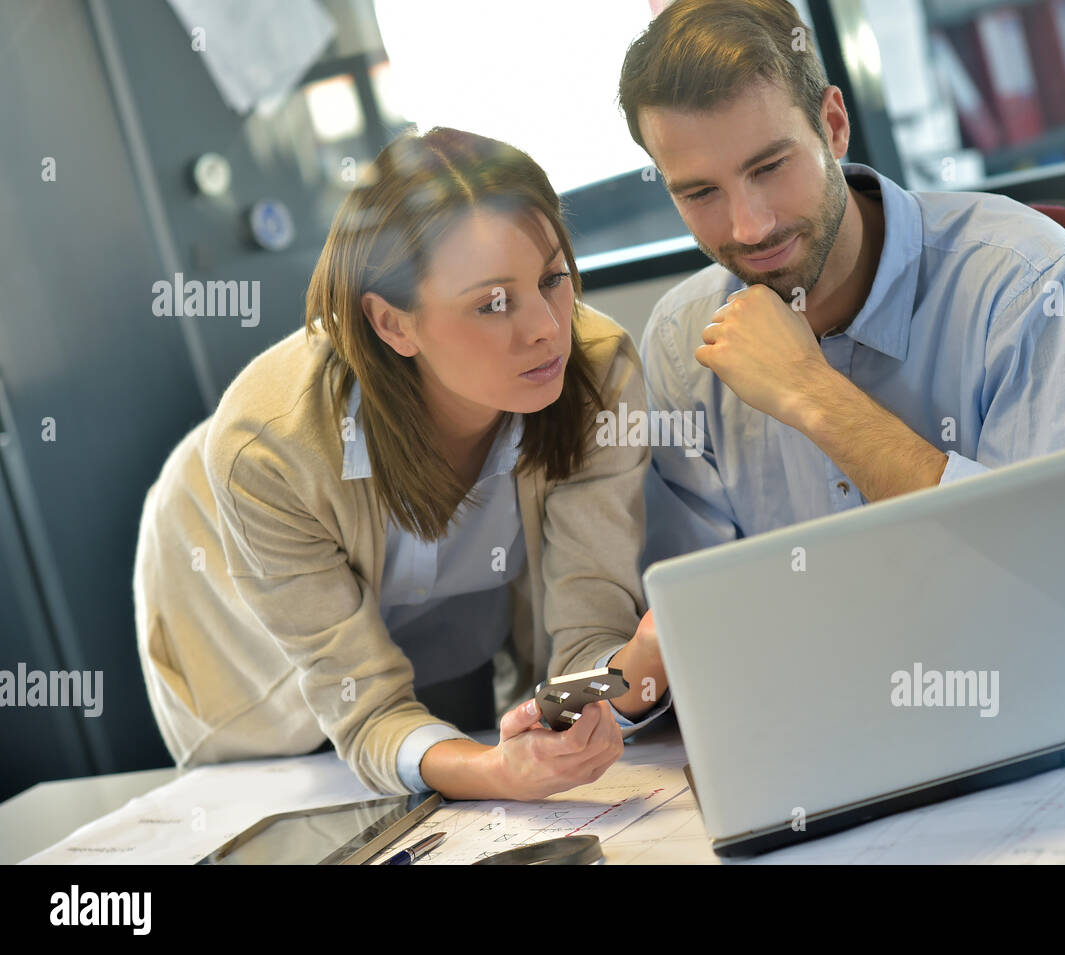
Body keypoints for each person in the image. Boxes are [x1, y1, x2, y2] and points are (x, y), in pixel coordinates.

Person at [618, 0, 1065, 642]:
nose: (749, 226)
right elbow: (705, 628)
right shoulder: (683, 340)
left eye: (769, 167)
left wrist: (811, 393)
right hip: (858, 713)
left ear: (834, 125)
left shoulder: (1026, 277)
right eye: (700, 193)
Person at [133, 128, 668, 800]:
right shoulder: (264, 450)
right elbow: (363, 708)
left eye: (553, 278)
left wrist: (633, 666)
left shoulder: (595, 375)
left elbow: (586, 633)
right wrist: (491, 772)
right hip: (250, 651)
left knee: (460, 746)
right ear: (393, 323)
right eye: (493, 302)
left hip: (450, 629)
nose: (546, 327)